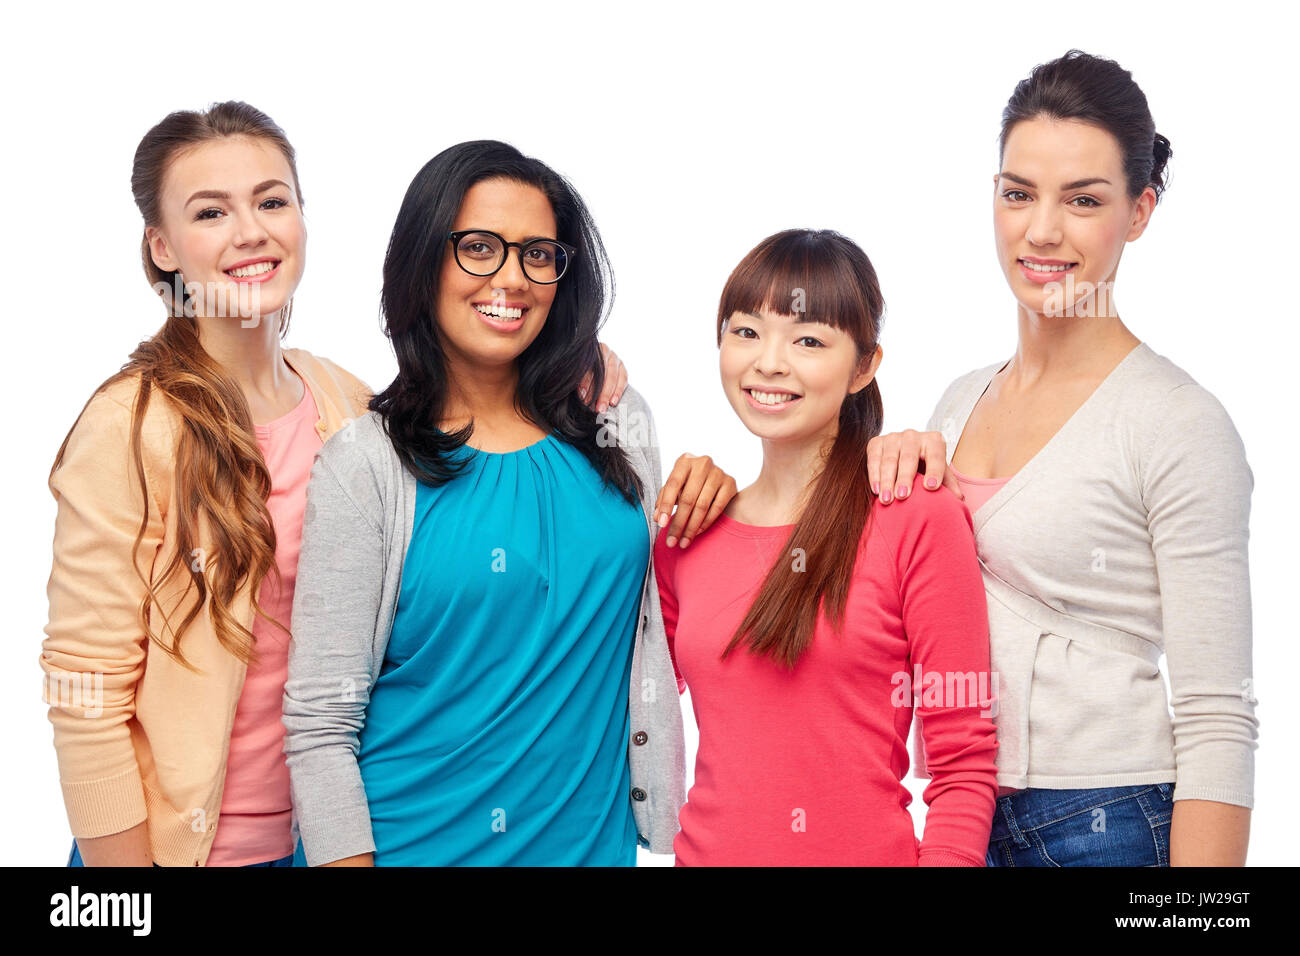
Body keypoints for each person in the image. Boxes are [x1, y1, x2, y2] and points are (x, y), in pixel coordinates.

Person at [41, 105, 632, 867]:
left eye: (271, 200)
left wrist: (580, 357)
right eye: (211, 212)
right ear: (162, 247)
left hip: (329, 839)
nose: (250, 231)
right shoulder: (128, 426)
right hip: (181, 854)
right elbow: (83, 694)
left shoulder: (339, 401)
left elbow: (466, 407)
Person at [282, 140, 736, 866]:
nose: (511, 278)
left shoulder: (621, 423)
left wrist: (719, 507)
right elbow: (319, 723)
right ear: (423, 260)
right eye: (480, 248)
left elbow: (674, 615)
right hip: (409, 847)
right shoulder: (366, 462)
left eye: (538, 255)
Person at [866, 50, 1256, 866]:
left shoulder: (1179, 422)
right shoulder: (957, 400)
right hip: (954, 811)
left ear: (1141, 211)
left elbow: (1218, 710)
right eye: (1018, 193)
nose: (1042, 230)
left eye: (1084, 200)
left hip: (1105, 819)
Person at [655, 229, 998, 865]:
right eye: (746, 331)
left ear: (864, 365)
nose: (769, 362)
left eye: (808, 339)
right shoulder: (685, 537)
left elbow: (964, 764)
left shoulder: (915, 517)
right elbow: (619, 712)